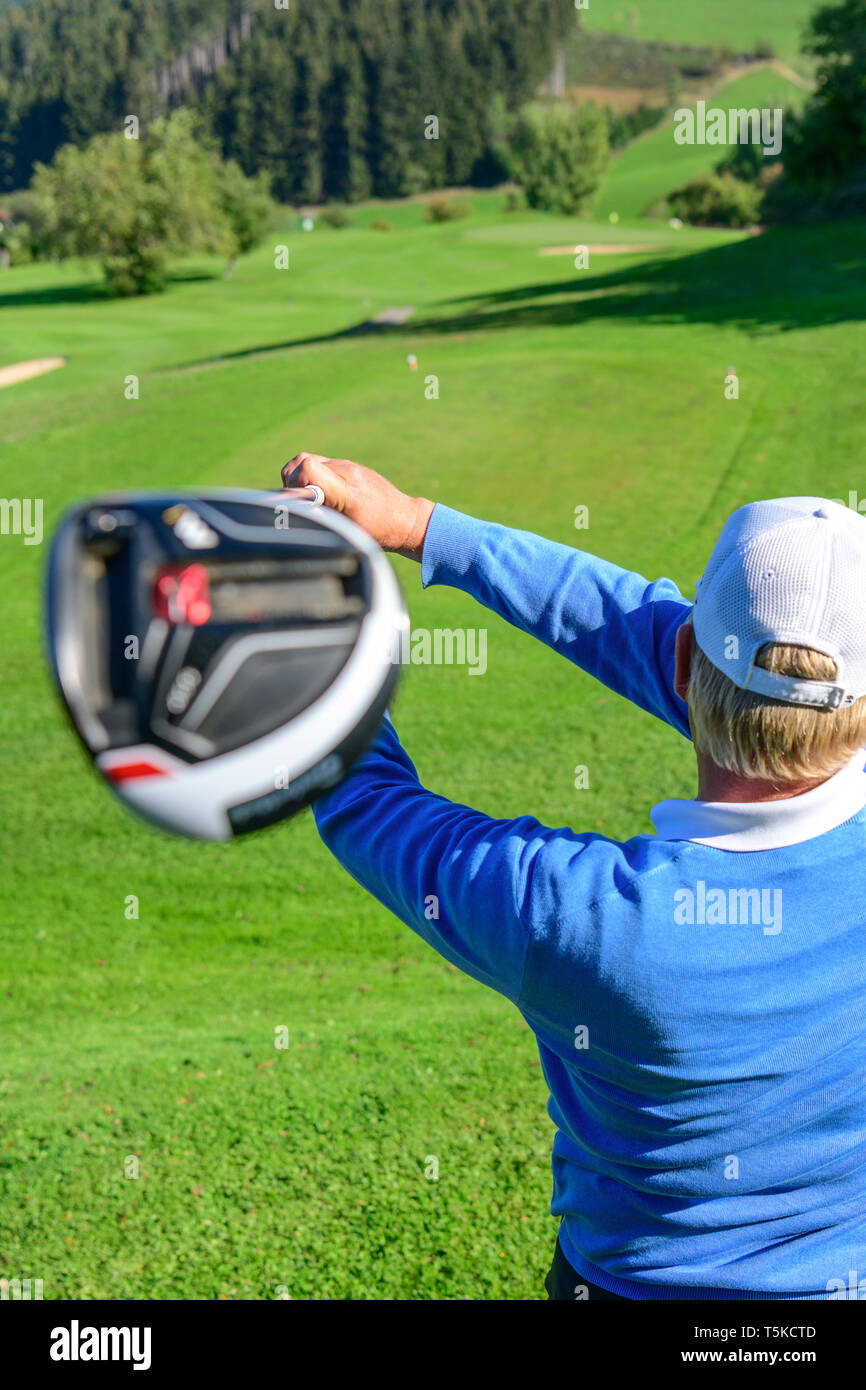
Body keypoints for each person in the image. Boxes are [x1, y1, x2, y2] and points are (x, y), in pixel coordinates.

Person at [282, 451, 866, 1302]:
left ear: (682, 665)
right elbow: (654, 637)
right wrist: (416, 525)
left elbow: (363, 801)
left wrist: (299, 632)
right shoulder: (580, 912)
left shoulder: (574, 918)